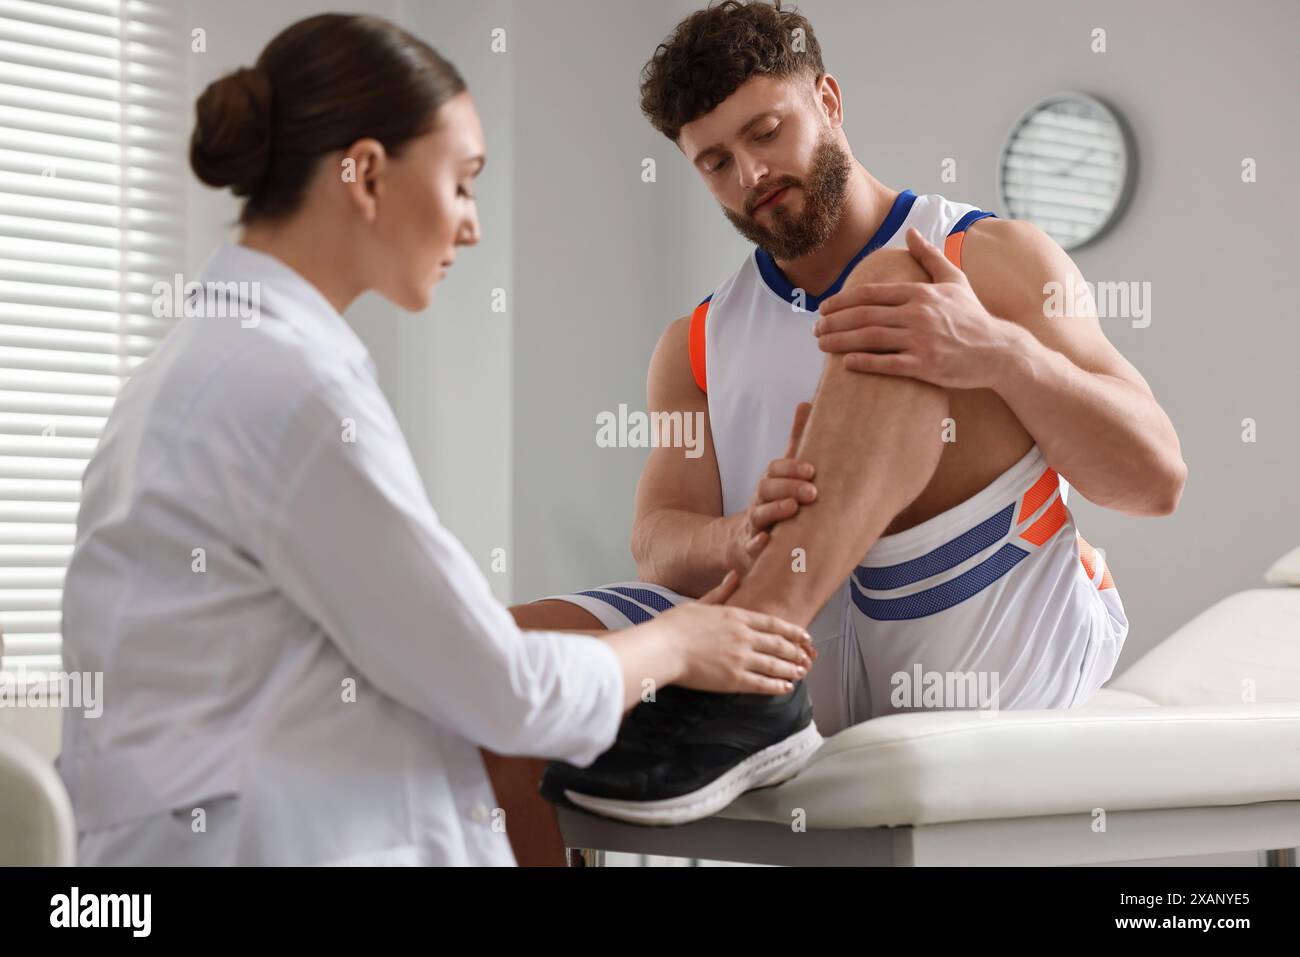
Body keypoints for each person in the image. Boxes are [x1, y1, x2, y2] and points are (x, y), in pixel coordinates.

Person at [55, 12, 815, 867]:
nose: (472, 225)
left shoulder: (188, 370)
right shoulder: (291, 390)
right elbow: (502, 690)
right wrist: (682, 642)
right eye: (462, 182)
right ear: (368, 175)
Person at [502, 0, 1185, 847]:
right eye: (715, 161)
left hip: (976, 624)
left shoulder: (988, 258)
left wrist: (1001, 353)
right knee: (500, 660)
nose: (749, 174)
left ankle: (745, 674)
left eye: (767, 132)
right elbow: (657, 540)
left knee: (897, 287)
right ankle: (752, 670)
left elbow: (1156, 479)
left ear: (827, 99)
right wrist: (738, 533)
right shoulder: (695, 344)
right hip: (805, 665)